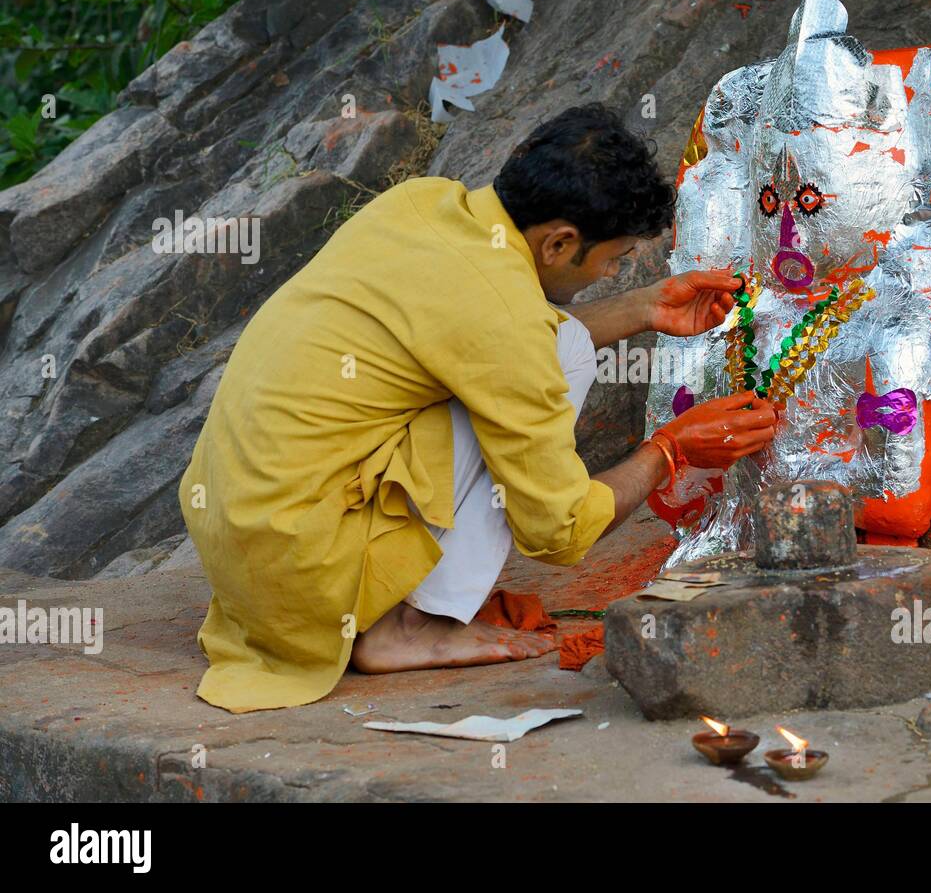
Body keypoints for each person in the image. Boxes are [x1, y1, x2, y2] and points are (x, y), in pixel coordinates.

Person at [179, 103, 777, 712]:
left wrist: (644, 309)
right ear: (561, 243)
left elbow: (488, 334)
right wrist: (669, 451)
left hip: (245, 554)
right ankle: (403, 629)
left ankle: (395, 598)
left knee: (551, 349)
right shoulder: (509, 328)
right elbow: (559, 529)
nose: (614, 272)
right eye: (614, 260)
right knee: (558, 359)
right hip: (307, 575)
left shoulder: (421, 203)